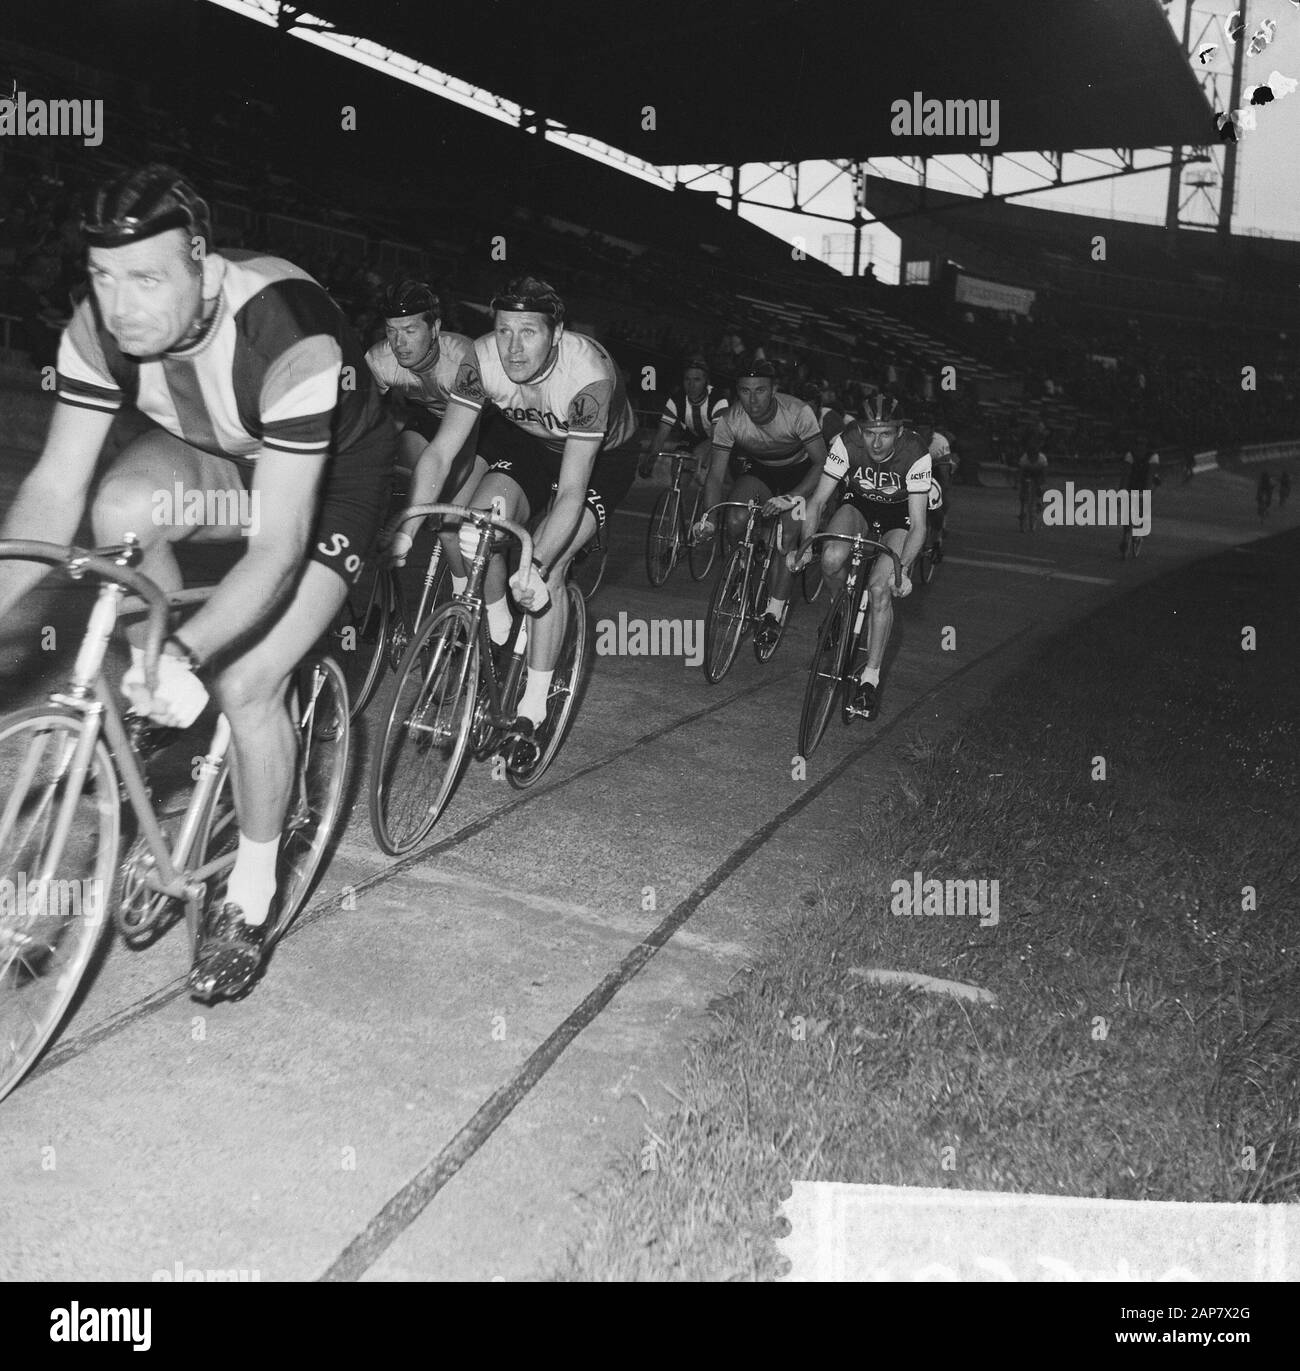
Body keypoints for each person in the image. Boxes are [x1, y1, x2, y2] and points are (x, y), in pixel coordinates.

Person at [0, 164, 397, 1001]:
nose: (121, 305)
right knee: (119, 503)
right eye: (103, 278)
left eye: (147, 277)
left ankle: (251, 895)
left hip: (329, 479)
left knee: (248, 678)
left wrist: (193, 648)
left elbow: (278, 544)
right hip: (222, 447)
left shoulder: (285, 331)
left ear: (203, 262)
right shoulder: (99, 326)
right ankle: (156, 687)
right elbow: (53, 489)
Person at [393, 274, 638, 768]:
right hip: (529, 443)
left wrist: (535, 562)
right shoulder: (478, 360)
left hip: (596, 461)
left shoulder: (588, 376)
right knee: (474, 527)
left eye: (528, 332)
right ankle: (501, 628)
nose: (513, 347)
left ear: (557, 333)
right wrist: (407, 526)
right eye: (504, 330)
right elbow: (442, 452)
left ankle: (533, 708)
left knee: (548, 570)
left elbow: (571, 491)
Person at [788, 394, 930, 719]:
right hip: (858, 505)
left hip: (899, 517)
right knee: (831, 556)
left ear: (899, 431)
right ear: (860, 429)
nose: (876, 442)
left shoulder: (916, 452)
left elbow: (920, 525)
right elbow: (818, 501)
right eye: (869, 433)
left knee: (881, 590)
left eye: (885, 434)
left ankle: (870, 680)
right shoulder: (845, 440)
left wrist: (903, 570)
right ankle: (840, 610)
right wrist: (807, 544)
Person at [692, 361, 829, 653]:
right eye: (745, 391)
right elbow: (716, 475)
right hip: (761, 471)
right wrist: (708, 518)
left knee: (785, 539)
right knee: (735, 518)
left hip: (800, 475)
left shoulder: (798, 412)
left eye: (760, 390)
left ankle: (773, 613)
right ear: (737, 392)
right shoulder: (729, 419)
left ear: (774, 390)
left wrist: (792, 498)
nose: (753, 399)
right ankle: (740, 568)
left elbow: (822, 462)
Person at [365, 279, 487, 583]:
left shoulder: (464, 357)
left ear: (435, 329)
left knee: (447, 526)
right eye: (391, 331)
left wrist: (438, 499)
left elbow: (460, 452)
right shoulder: (379, 360)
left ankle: (462, 610)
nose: (398, 343)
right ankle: (389, 609)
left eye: (409, 331)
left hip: (481, 426)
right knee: (391, 512)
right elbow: (359, 426)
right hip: (430, 418)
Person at [638, 355, 728, 480]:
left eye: (697, 380)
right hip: (693, 436)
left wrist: (702, 457)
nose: (691, 385)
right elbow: (660, 436)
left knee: (705, 476)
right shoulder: (675, 401)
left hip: (718, 437)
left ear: (706, 381)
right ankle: (677, 496)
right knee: (678, 467)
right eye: (687, 380)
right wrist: (649, 460)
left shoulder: (718, 400)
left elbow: (716, 437)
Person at [1018, 447, 1049, 527]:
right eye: (1030, 456)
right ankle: (1022, 510)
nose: (1032, 458)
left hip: (1038, 473)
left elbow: (1044, 475)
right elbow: (1021, 474)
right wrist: (1022, 486)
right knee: (1023, 493)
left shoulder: (1042, 459)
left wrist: (1040, 485)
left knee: (1039, 489)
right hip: (1027, 472)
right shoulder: (1024, 459)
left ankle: (1039, 502)